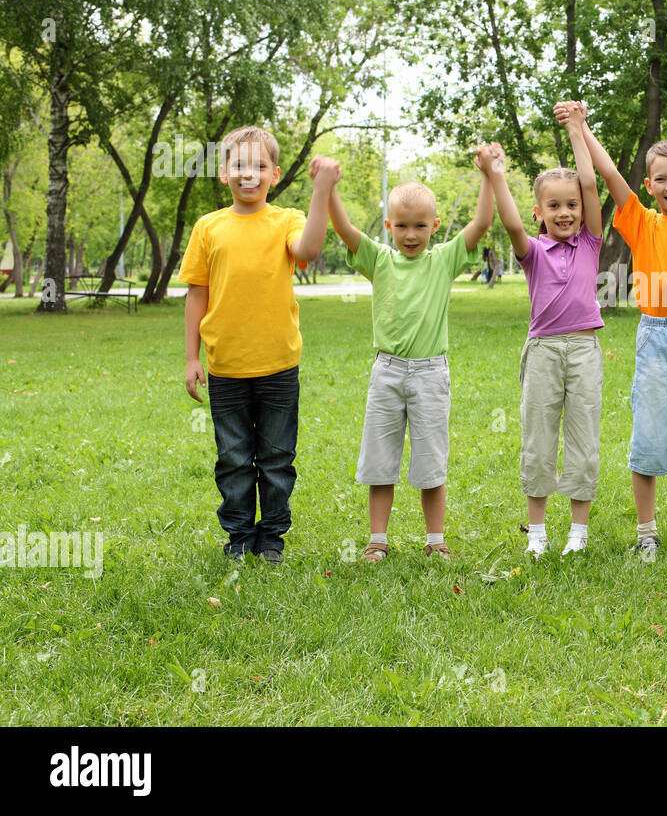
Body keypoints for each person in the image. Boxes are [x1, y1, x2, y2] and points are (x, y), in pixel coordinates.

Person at [571, 69, 667, 561]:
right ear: (651, 185)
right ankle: (647, 532)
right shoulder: (641, 221)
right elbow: (611, 177)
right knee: (650, 437)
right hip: (656, 338)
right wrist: (581, 127)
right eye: (663, 178)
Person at [180, 126, 335, 563]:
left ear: (275, 174)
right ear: (224, 172)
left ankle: (271, 537)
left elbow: (309, 248)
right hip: (225, 367)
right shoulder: (208, 227)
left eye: (259, 166)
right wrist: (192, 357)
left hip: (278, 366)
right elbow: (196, 293)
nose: (249, 174)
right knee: (232, 458)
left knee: (276, 458)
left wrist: (321, 190)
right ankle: (239, 535)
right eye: (239, 165)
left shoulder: (287, 220)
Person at [327, 164, 494, 562]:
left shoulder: (445, 260)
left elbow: (482, 222)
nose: (411, 235)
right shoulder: (379, 260)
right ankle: (377, 539)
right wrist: (330, 187)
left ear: (434, 225)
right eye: (402, 226)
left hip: (431, 374)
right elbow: (344, 229)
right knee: (380, 462)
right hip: (386, 372)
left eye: (420, 226)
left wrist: (489, 174)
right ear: (389, 225)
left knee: (430, 462)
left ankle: (435, 540)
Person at [484, 103, 604, 558]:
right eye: (554, 206)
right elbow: (511, 222)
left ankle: (578, 531)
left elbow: (590, 182)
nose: (566, 212)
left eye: (571, 204)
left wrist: (577, 128)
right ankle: (537, 532)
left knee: (583, 439)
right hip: (543, 352)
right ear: (540, 211)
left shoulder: (591, 242)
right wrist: (496, 174)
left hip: (584, 350)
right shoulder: (532, 251)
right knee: (538, 439)